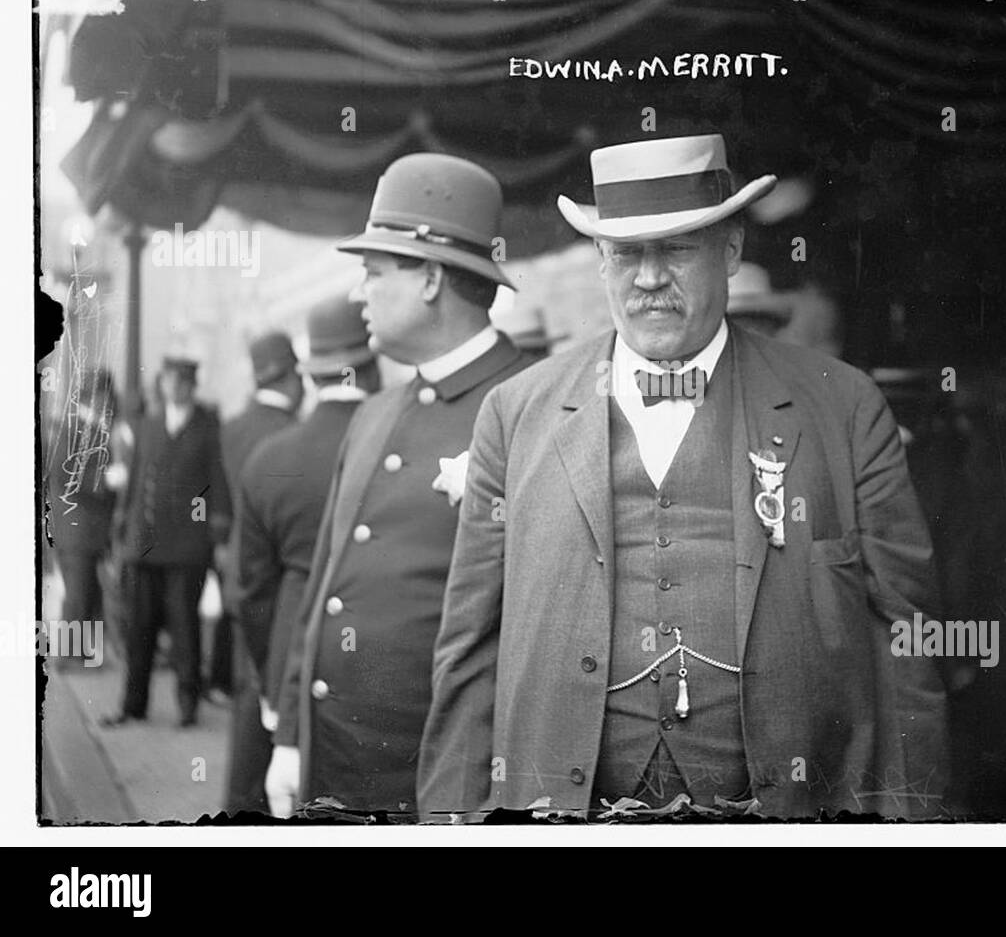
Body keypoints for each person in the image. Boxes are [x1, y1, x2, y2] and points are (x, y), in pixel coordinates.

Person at [418, 134, 947, 819]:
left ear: (730, 251)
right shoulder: (516, 413)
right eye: (627, 253)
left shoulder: (842, 409)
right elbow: (468, 654)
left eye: (675, 248)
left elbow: (906, 641)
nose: (648, 277)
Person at [265, 154, 532, 818]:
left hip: (444, 789)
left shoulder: (535, 407)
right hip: (332, 774)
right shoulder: (375, 411)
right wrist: (292, 738)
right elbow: (323, 586)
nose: (359, 294)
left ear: (432, 278)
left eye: (373, 272)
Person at [229, 298, 380, 816]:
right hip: (384, 673)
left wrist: (271, 675)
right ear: (374, 363)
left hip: (290, 662)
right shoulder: (397, 444)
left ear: (310, 374)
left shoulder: (270, 460)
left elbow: (249, 592)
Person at [103, 354, 231, 728]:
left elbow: (218, 486)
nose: (173, 387)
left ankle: (187, 706)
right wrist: (123, 531)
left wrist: (217, 536)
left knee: (184, 628)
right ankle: (133, 704)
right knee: (139, 628)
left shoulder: (208, 428)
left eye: (181, 382)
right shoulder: (147, 427)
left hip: (189, 548)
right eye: (168, 380)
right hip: (144, 544)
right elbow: (135, 483)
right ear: (161, 384)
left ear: (192, 386)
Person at [220, 331, 304, 813]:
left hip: (241, 582)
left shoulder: (233, 427)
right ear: (291, 375)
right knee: (271, 702)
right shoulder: (288, 432)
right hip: (277, 589)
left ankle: (236, 808)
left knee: (247, 699)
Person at [44, 367, 118, 667]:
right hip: (78, 527)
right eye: (104, 395)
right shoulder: (74, 427)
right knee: (78, 593)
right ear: (94, 395)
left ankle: (80, 654)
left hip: (85, 528)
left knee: (86, 592)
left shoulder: (87, 426)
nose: (109, 401)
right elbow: (66, 473)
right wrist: (107, 481)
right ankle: (69, 657)